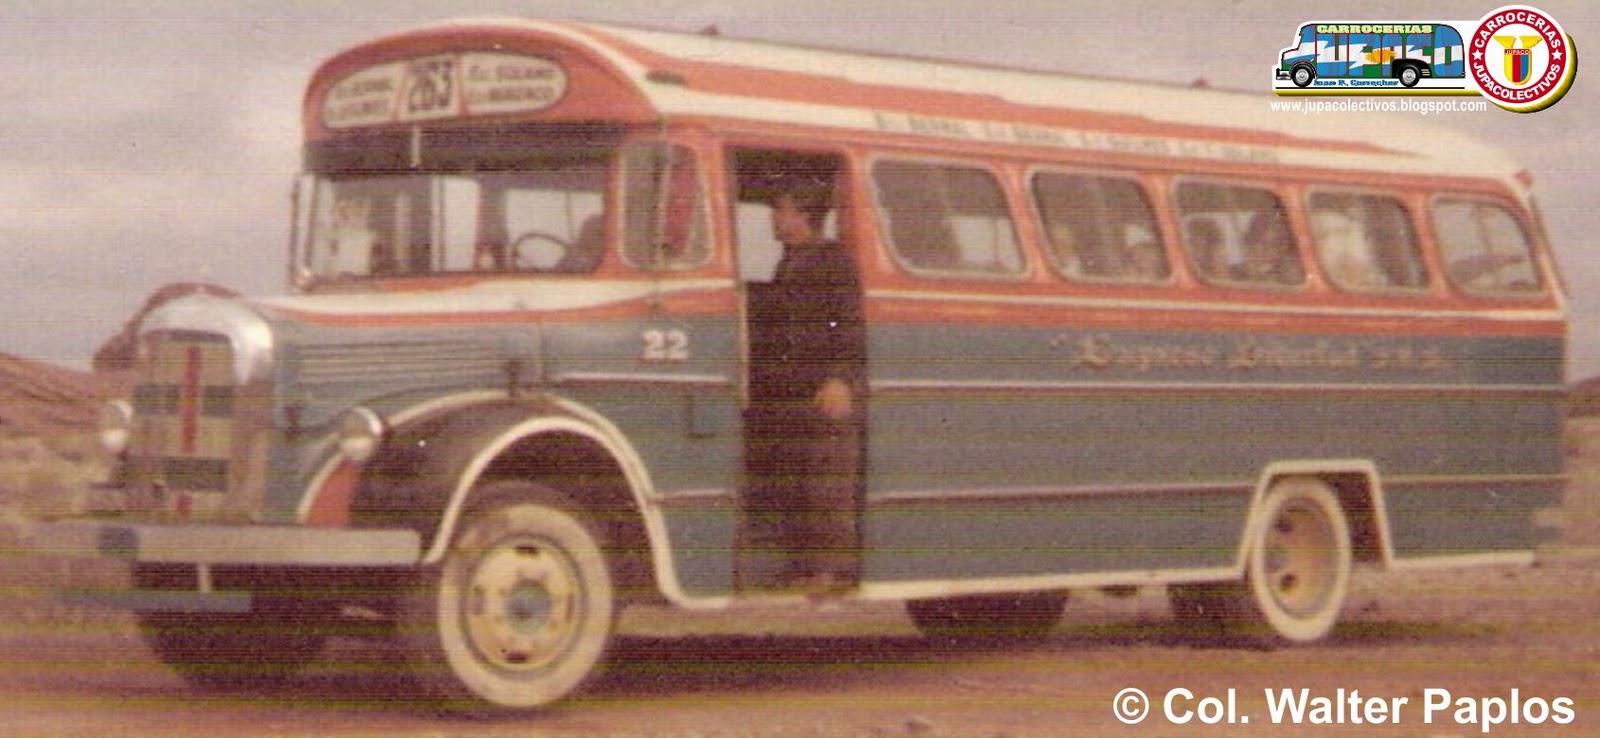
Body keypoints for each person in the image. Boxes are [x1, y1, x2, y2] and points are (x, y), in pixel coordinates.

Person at [744, 177, 867, 594]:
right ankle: (800, 566)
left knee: (826, 482)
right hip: (792, 389)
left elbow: (845, 322)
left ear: (802, 216)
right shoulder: (789, 262)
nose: (775, 220)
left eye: (781, 210)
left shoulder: (833, 261)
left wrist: (838, 379)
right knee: (794, 480)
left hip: (822, 387)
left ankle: (830, 572)